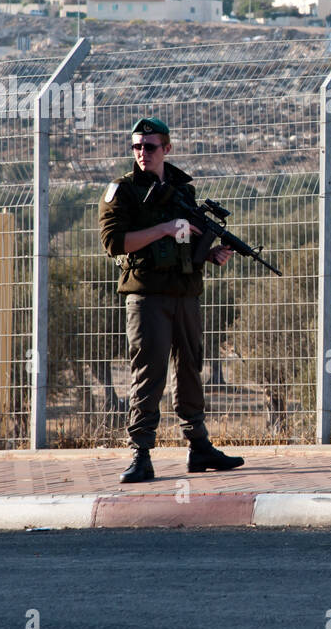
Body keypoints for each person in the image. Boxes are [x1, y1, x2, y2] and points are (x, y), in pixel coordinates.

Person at [98, 117, 246, 483]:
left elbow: (184, 244)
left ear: (167, 148)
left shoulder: (183, 191)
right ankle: (141, 454)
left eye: (149, 146)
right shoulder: (124, 190)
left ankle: (198, 447)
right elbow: (114, 243)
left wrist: (209, 255)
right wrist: (165, 227)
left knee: (190, 370)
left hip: (185, 293)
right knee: (149, 372)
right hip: (146, 295)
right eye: (136, 147)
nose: (142, 153)